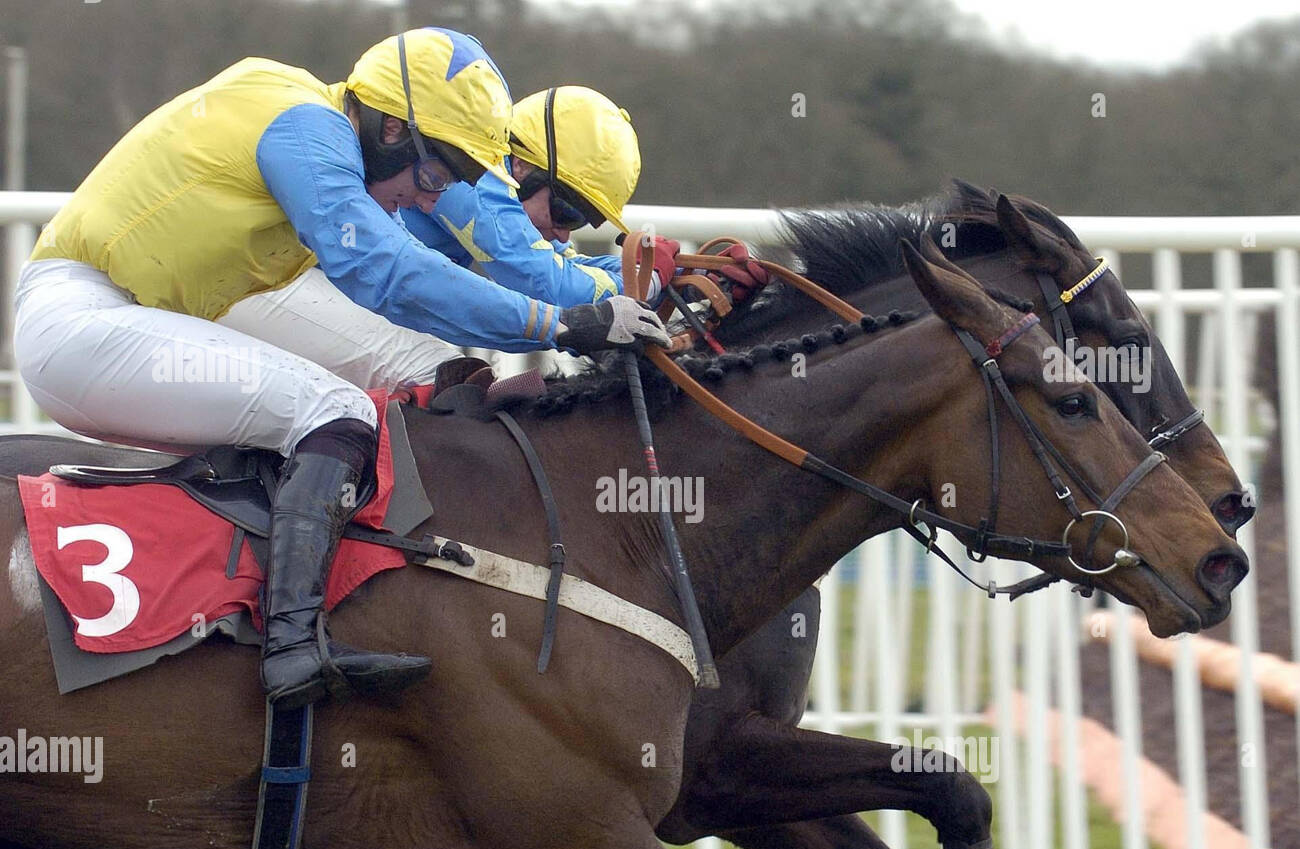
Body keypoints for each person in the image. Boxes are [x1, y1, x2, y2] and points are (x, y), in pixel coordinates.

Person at [12, 28, 671, 710]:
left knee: (421, 372)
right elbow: (382, 270)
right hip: (82, 324)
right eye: (433, 177)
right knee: (338, 410)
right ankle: (293, 649)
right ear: (391, 128)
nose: (430, 200)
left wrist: (603, 300)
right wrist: (557, 326)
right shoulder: (304, 128)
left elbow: (426, 279)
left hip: (128, 313)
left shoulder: (322, 131)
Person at [401, 85, 770, 311]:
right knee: (434, 370)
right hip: (345, 293)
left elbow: (570, 270)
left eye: (579, 221)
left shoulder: (505, 182)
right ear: (524, 167)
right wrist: (649, 281)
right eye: (567, 211)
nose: (564, 234)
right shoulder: (471, 176)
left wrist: (688, 276)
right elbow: (549, 288)